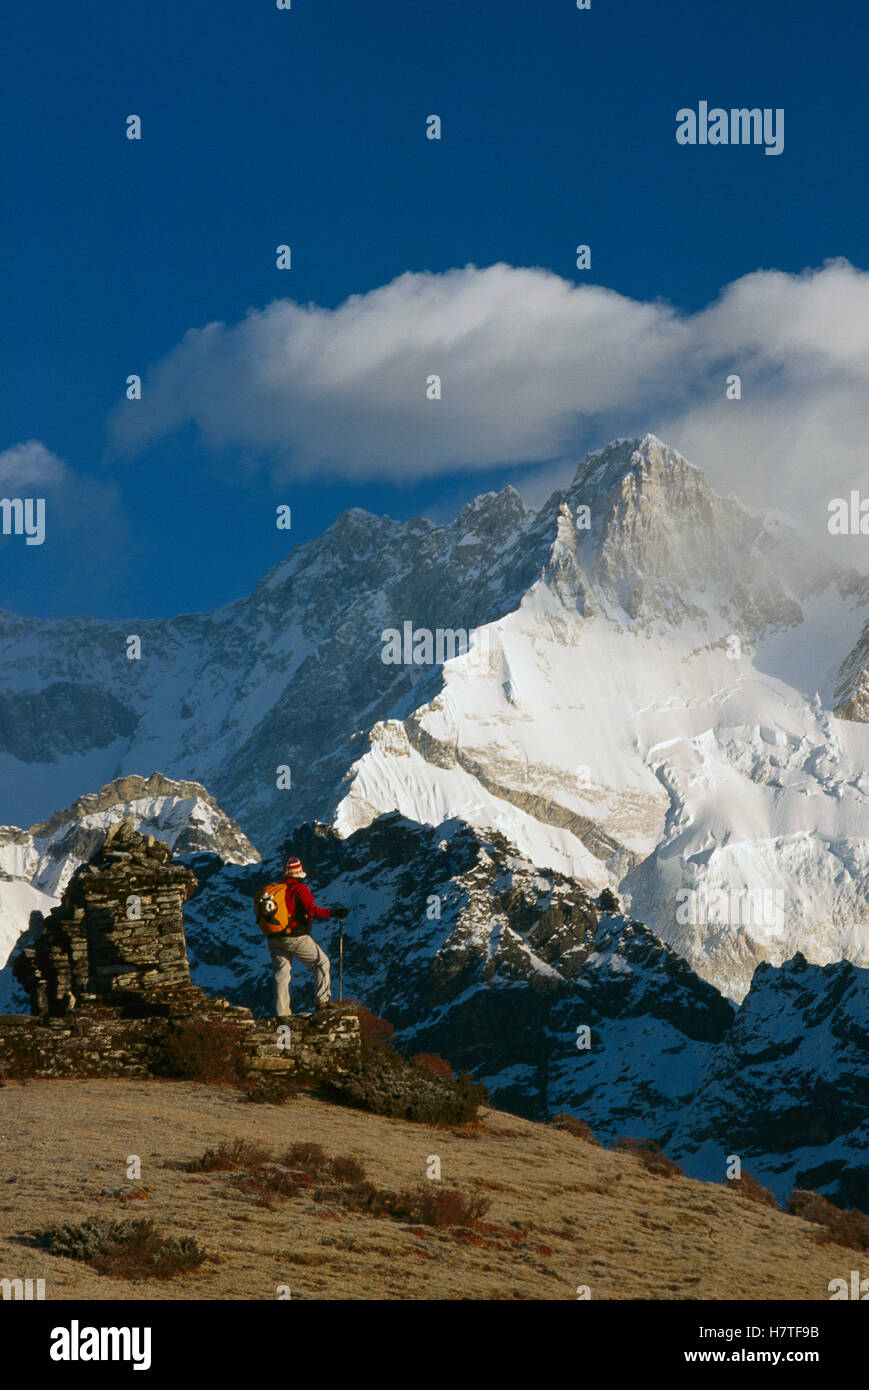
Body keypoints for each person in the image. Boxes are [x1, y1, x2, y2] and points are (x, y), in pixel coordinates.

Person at [269, 856, 348, 1022]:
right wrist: (335, 913)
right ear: (299, 873)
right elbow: (312, 911)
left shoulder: (277, 890)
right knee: (321, 962)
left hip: (274, 937)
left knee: (282, 973)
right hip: (294, 936)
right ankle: (322, 1002)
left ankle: (281, 1013)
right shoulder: (300, 889)